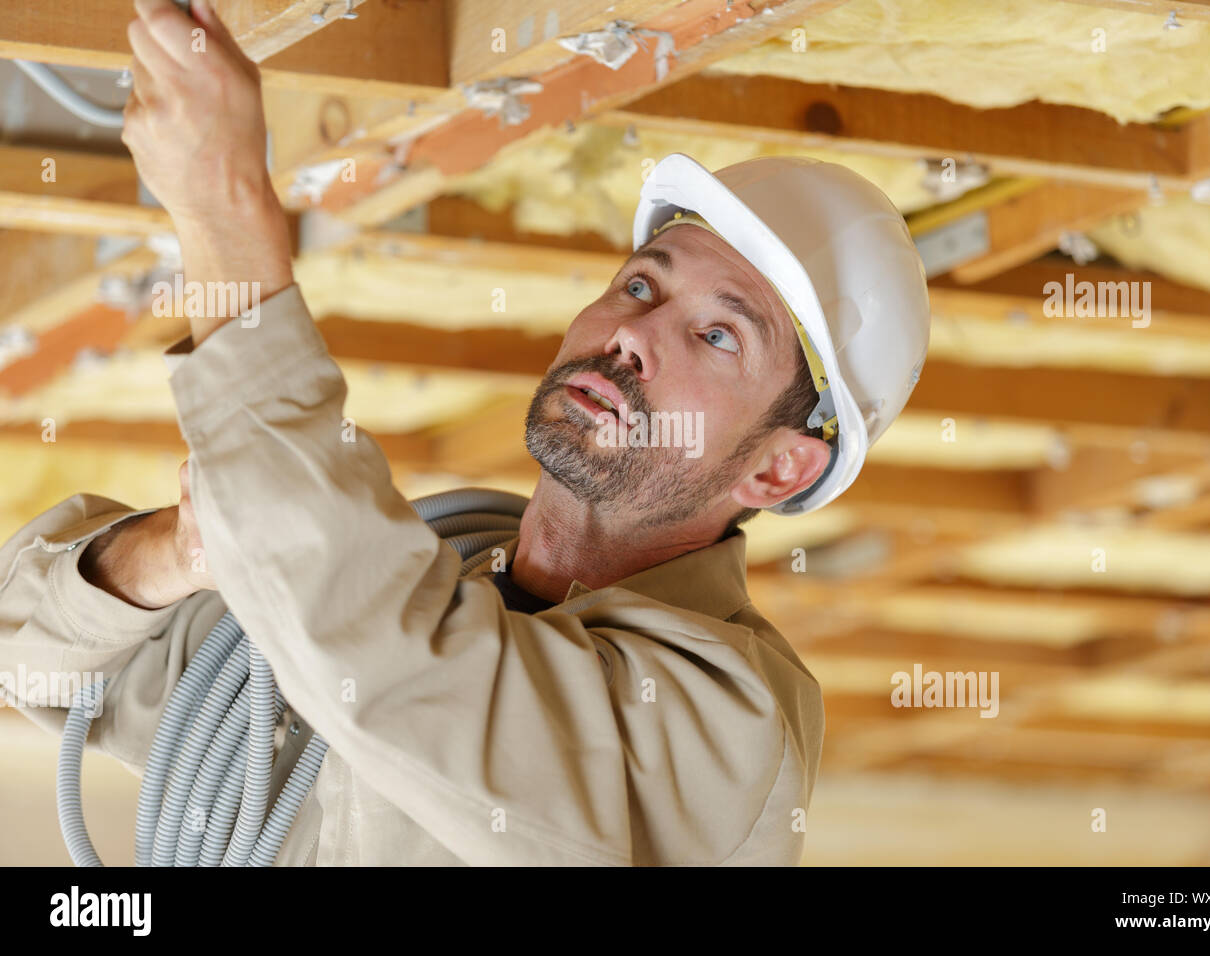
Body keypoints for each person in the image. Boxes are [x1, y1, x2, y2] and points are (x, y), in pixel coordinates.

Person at [0, 0, 929, 864]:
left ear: (777, 469)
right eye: (643, 285)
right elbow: (24, 657)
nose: (632, 336)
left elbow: (394, 665)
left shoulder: (725, 724)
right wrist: (177, 553)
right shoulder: (417, 579)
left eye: (718, 334)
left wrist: (224, 212)